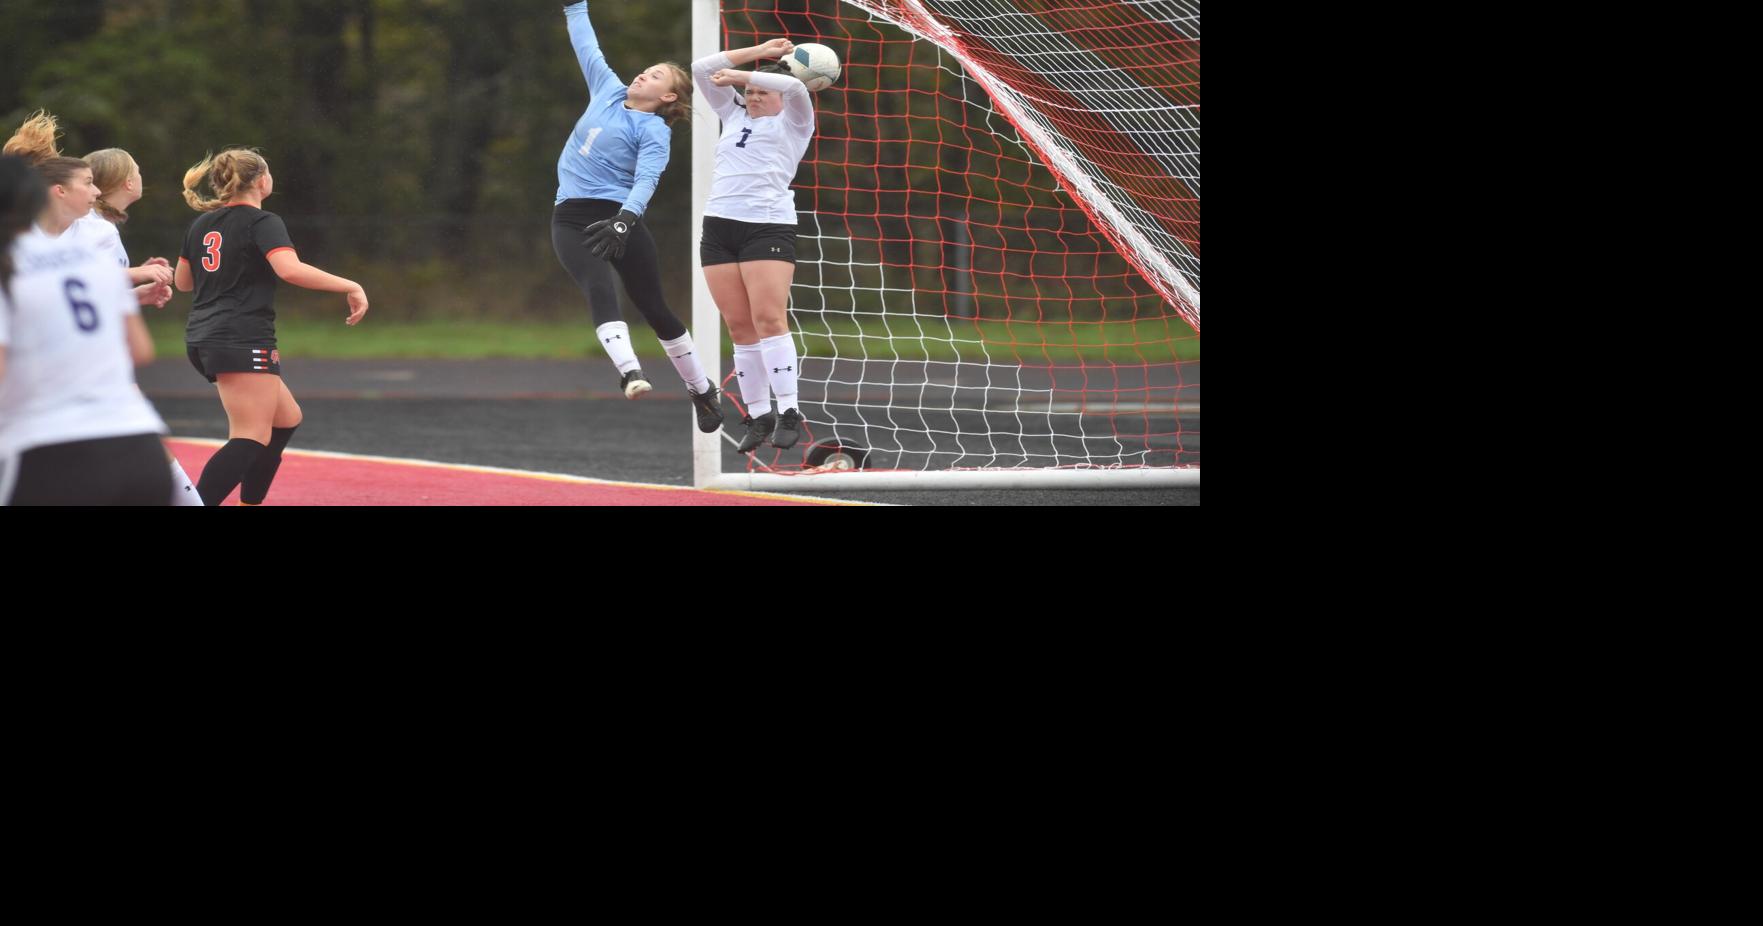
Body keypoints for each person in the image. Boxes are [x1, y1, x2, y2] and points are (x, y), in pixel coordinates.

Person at [551, 1, 723, 433]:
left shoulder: (653, 131)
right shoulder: (607, 89)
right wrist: (576, 7)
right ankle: (630, 371)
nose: (644, 73)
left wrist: (624, 222)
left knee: (654, 306)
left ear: (667, 97)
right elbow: (587, 45)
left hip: (619, 218)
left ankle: (701, 390)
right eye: (646, 69)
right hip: (571, 219)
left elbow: (647, 180)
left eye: (656, 75)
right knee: (598, 285)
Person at [175, 148, 368, 506]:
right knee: (249, 436)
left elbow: (183, 281)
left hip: (204, 337)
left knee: (285, 421)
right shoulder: (262, 221)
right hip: (240, 338)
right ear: (262, 181)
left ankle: (249, 503)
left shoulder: (201, 224)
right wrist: (350, 285)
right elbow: (289, 269)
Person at [0, 154, 172, 505]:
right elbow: (140, 348)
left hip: (50, 447)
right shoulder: (92, 255)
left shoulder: (10, 266)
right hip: (138, 442)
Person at [692, 38, 817, 452]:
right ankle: (759, 413)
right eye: (750, 92)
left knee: (768, 319)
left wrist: (744, 75)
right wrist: (760, 49)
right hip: (719, 227)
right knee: (739, 327)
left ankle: (789, 410)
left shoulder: (794, 121)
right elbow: (700, 68)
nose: (753, 95)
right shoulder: (733, 113)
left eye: (763, 91)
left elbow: (797, 89)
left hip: (766, 227)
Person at [81, 146, 202, 504]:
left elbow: (89, 299)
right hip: (94, 359)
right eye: (137, 168)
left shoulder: (100, 227)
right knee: (143, 440)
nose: (141, 174)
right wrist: (138, 273)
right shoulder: (92, 228)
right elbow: (81, 280)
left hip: (97, 356)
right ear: (126, 181)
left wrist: (139, 293)